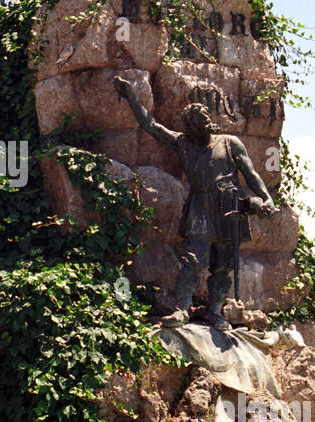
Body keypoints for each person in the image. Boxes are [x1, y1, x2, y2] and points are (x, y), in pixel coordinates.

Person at [113, 80, 278, 330]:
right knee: (192, 258)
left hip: (228, 206)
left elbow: (251, 174)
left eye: (195, 127)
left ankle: (214, 311)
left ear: (205, 125)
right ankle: (182, 309)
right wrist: (130, 96)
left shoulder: (229, 142)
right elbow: (151, 126)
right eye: (188, 128)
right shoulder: (183, 142)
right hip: (200, 205)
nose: (192, 132)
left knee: (222, 266)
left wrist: (266, 197)